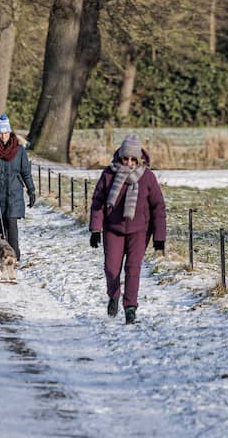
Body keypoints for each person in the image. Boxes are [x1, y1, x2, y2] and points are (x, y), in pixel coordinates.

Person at [88, 134, 166, 324]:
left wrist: (159, 236)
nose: (129, 162)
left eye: (133, 159)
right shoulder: (109, 174)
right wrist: (95, 229)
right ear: (120, 157)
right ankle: (113, 296)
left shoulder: (147, 177)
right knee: (112, 269)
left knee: (133, 269)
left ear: (139, 159)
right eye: (126, 158)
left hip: (139, 230)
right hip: (113, 228)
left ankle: (130, 307)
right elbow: (97, 201)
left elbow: (158, 206)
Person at [0, 114, 36, 262]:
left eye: (6, 132)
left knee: (12, 226)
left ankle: (15, 257)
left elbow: (25, 171)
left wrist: (31, 190)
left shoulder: (19, 151)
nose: (4, 136)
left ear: (10, 133)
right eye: (1, 133)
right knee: (0, 226)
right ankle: (2, 256)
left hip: (14, 191)